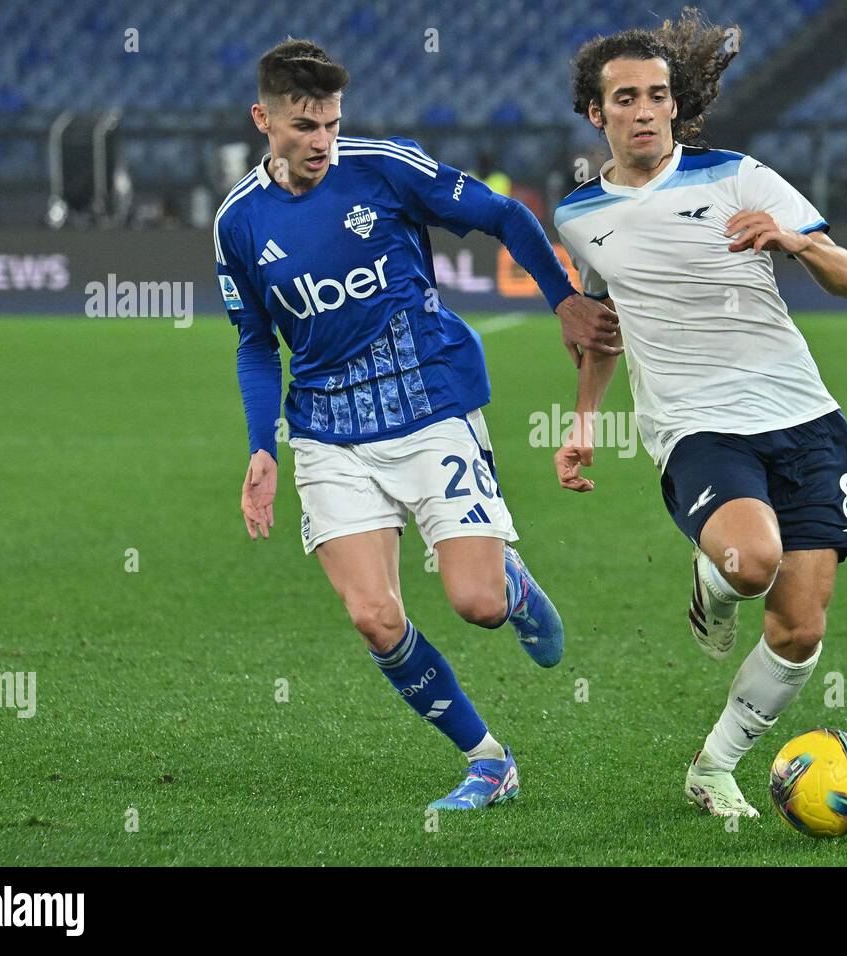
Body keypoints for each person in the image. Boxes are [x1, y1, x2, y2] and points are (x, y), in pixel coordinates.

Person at [214, 39, 619, 811]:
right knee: (373, 616)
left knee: (477, 604)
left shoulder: (384, 166)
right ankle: (488, 760)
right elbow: (254, 344)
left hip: (429, 402)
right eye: (304, 126)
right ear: (263, 119)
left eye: (332, 122)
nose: (322, 142)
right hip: (328, 429)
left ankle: (513, 586)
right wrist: (261, 447)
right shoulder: (238, 223)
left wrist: (562, 297)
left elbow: (503, 214)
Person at [552, 11, 847, 818]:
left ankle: (713, 765)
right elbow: (601, 325)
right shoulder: (581, 218)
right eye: (627, 98)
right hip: (697, 425)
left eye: (658, 95)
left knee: (799, 630)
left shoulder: (738, 174)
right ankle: (717, 574)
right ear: (599, 113)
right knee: (752, 561)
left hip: (805, 417)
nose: (647, 110)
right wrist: (584, 420)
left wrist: (794, 243)